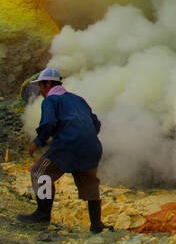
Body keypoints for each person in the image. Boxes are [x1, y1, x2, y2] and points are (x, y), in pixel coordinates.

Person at [17, 67, 112, 233]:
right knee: (90, 183)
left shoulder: (51, 101)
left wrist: (37, 142)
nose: (40, 90)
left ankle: (42, 214)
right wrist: (85, 138)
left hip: (67, 145)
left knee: (40, 173)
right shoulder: (78, 99)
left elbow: (48, 123)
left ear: (47, 83)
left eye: (41, 85)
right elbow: (95, 123)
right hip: (92, 147)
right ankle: (96, 224)